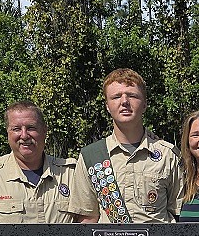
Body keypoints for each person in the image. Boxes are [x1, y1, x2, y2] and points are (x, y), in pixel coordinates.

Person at [66, 69, 184, 223]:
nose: (124, 102)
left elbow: (178, 214)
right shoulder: (91, 157)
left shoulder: (168, 155)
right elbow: (87, 220)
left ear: (145, 104)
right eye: (116, 97)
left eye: (132, 95)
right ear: (107, 106)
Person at [0, 101, 76, 224]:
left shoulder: (71, 174)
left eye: (31, 128)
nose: (24, 135)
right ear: (8, 133)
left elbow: (90, 224)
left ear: (44, 131)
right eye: (16, 129)